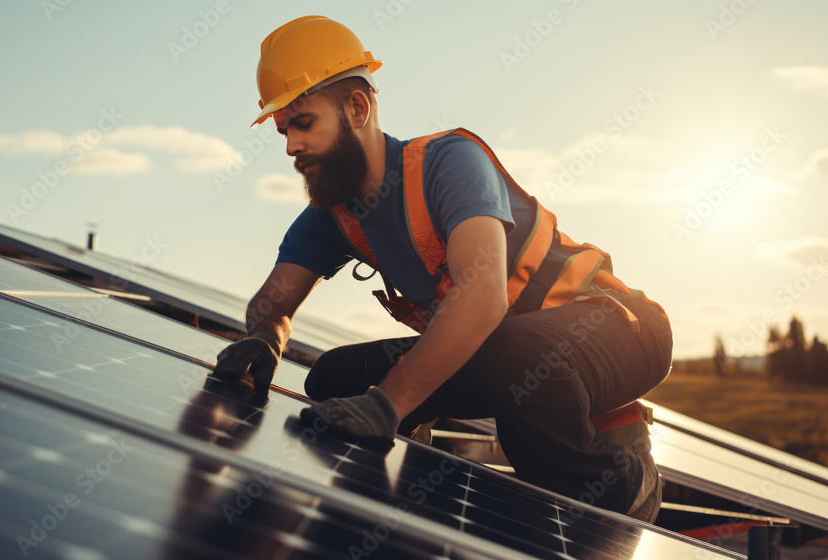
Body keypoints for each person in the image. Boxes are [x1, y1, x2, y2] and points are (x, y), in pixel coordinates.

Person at [212, 15, 673, 523]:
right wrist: (264, 337)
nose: (290, 147)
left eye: (303, 123)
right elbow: (274, 304)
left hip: (619, 327)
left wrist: (389, 405)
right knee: (335, 378)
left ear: (357, 108)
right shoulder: (331, 218)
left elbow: (483, 297)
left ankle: (620, 487)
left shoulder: (447, 162)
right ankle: (424, 498)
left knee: (515, 356)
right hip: (510, 353)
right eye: (282, 131)